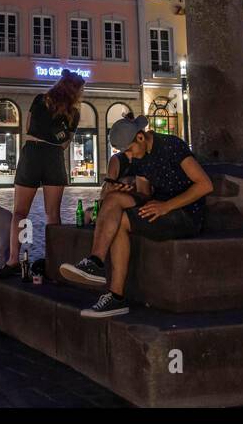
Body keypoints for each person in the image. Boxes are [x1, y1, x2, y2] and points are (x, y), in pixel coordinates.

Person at [60, 115, 213, 317]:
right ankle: (95, 262)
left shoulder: (171, 145)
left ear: (141, 137)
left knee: (122, 221)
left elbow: (205, 184)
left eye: (130, 149)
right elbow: (145, 194)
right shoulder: (139, 159)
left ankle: (116, 296)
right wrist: (127, 190)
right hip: (157, 205)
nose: (129, 155)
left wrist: (166, 206)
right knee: (114, 198)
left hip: (185, 214)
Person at [8, 71, 85, 269]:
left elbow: (27, 127)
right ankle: (53, 260)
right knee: (53, 214)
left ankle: (14, 259)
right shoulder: (74, 113)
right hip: (54, 157)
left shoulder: (40, 100)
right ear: (74, 91)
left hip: (32, 153)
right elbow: (65, 144)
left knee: (20, 212)